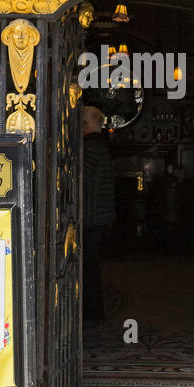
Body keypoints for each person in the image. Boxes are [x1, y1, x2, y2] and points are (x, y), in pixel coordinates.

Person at [82, 106, 116, 325]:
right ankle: (94, 313)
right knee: (92, 266)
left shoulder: (90, 148)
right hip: (100, 215)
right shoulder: (101, 146)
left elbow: (80, 179)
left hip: (90, 215)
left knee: (88, 267)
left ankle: (91, 314)